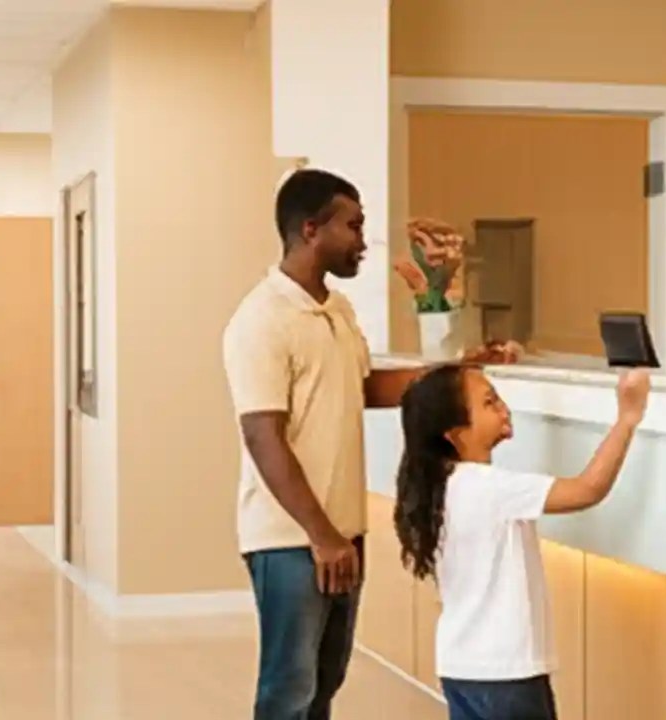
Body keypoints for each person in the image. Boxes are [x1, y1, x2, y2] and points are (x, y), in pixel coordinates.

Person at [223, 168, 519, 719]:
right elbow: (263, 436)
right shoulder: (260, 320)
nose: (363, 242)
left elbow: (365, 388)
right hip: (292, 537)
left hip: (341, 531)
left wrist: (458, 369)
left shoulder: (336, 310)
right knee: (288, 689)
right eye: (352, 227)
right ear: (311, 229)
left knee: (325, 681)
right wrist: (321, 536)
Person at [393, 364, 650, 720]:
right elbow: (588, 489)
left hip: (461, 668)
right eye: (488, 402)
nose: (503, 407)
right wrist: (627, 418)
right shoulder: (489, 487)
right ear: (456, 434)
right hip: (507, 673)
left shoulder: (441, 487)